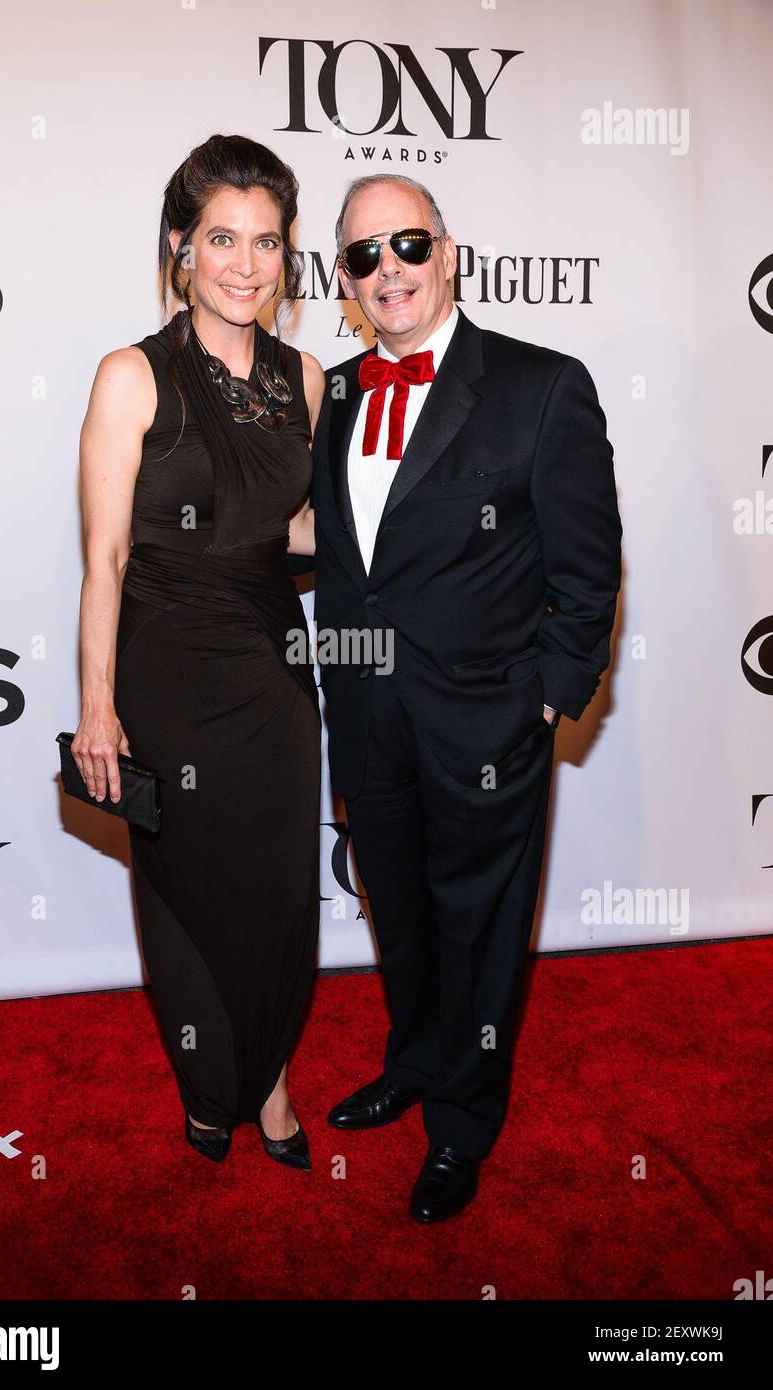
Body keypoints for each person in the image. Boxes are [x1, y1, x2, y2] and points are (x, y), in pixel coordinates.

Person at [312, 173, 622, 1222]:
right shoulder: (339, 392)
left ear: (449, 254)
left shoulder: (541, 385)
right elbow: (350, 558)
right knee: (396, 911)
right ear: (342, 277)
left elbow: (586, 569)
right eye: (362, 254)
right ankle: (413, 1060)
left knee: (478, 925)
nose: (386, 269)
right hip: (365, 714)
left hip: (486, 720)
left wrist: (546, 698)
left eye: (406, 244)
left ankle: (462, 1122)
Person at [73, 134, 323, 1169]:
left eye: (266, 241)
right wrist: (97, 703)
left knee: (275, 882)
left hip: (272, 663)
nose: (245, 264)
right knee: (185, 885)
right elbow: (106, 553)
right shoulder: (133, 375)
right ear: (181, 245)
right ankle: (204, 1072)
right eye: (222, 237)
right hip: (166, 664)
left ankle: (267, 1077)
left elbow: (292, 530)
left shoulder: (304, 375)